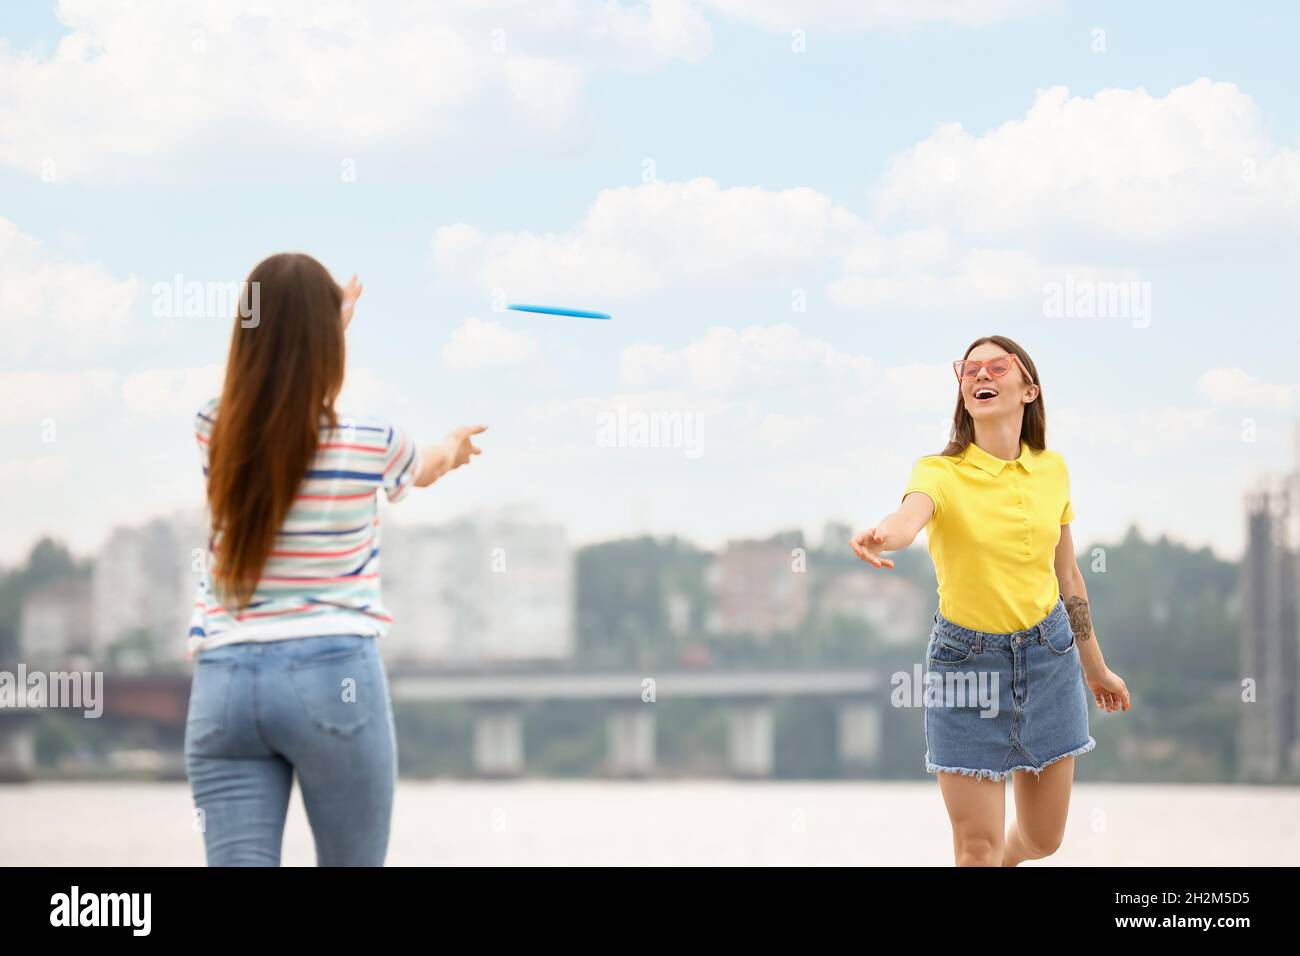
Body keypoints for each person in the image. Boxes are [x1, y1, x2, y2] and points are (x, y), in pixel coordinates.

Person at [183, 252, 485, 866]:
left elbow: (267, 379)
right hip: (332, 673)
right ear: (330, 341)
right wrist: (452, 447)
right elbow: (425, 468)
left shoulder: (214, 428)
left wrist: (309, 325)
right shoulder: (373, 440)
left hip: (226, 681)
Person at [851, 334, 1130, 866]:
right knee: (975, 846)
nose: (980, 375)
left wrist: (1096, 668)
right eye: (968, 369)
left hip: (1050, 661)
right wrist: (882, 535)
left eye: (997, 366)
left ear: (1029, 389)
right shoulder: (940, 472)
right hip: (965, 670)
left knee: (1042, 840)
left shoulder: (1052, 469)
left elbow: (1068, 575)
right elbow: (909, 517)